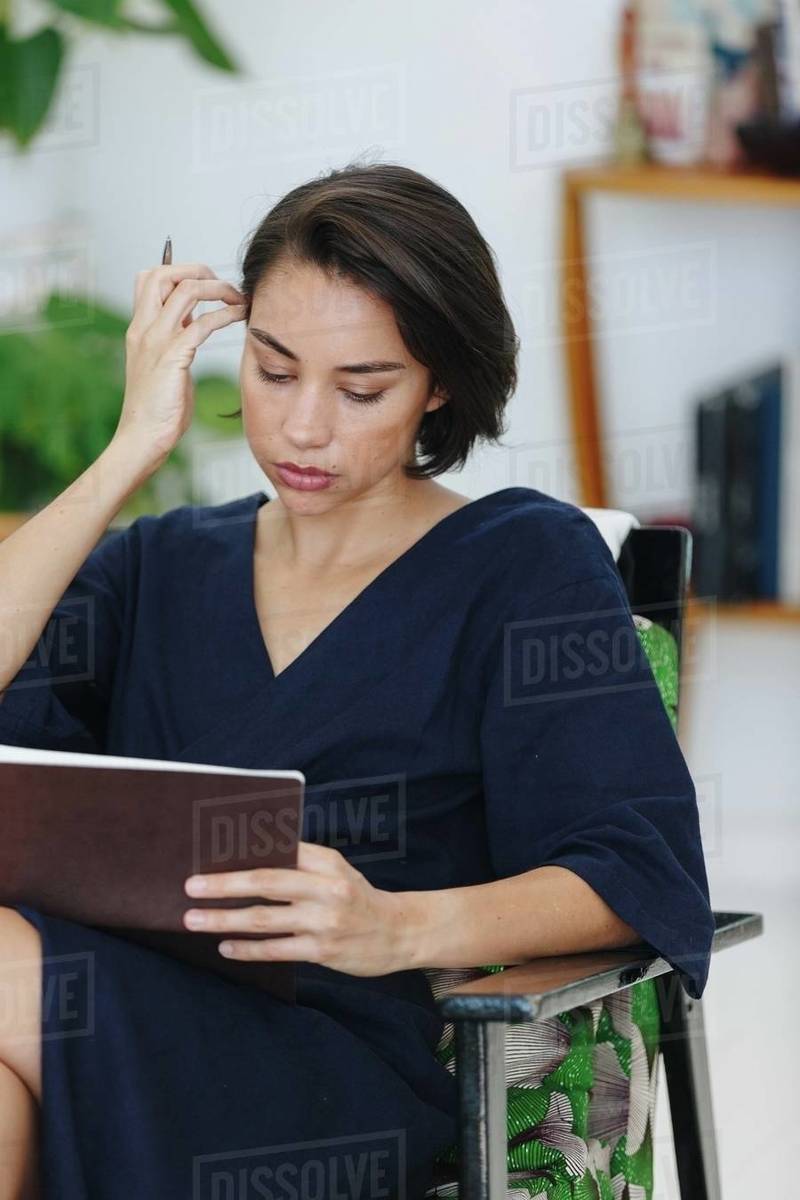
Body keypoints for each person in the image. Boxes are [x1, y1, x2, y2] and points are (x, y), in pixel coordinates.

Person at [0, 161, 714, 1200]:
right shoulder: (158, 563)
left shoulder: (522, 563)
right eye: (273, 370)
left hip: (334, 1075)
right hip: (97, 1019)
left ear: (439, 385)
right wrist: (124, 455)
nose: (302, 428)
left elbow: (629, 869)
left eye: (360, 389)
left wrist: (395, 925)